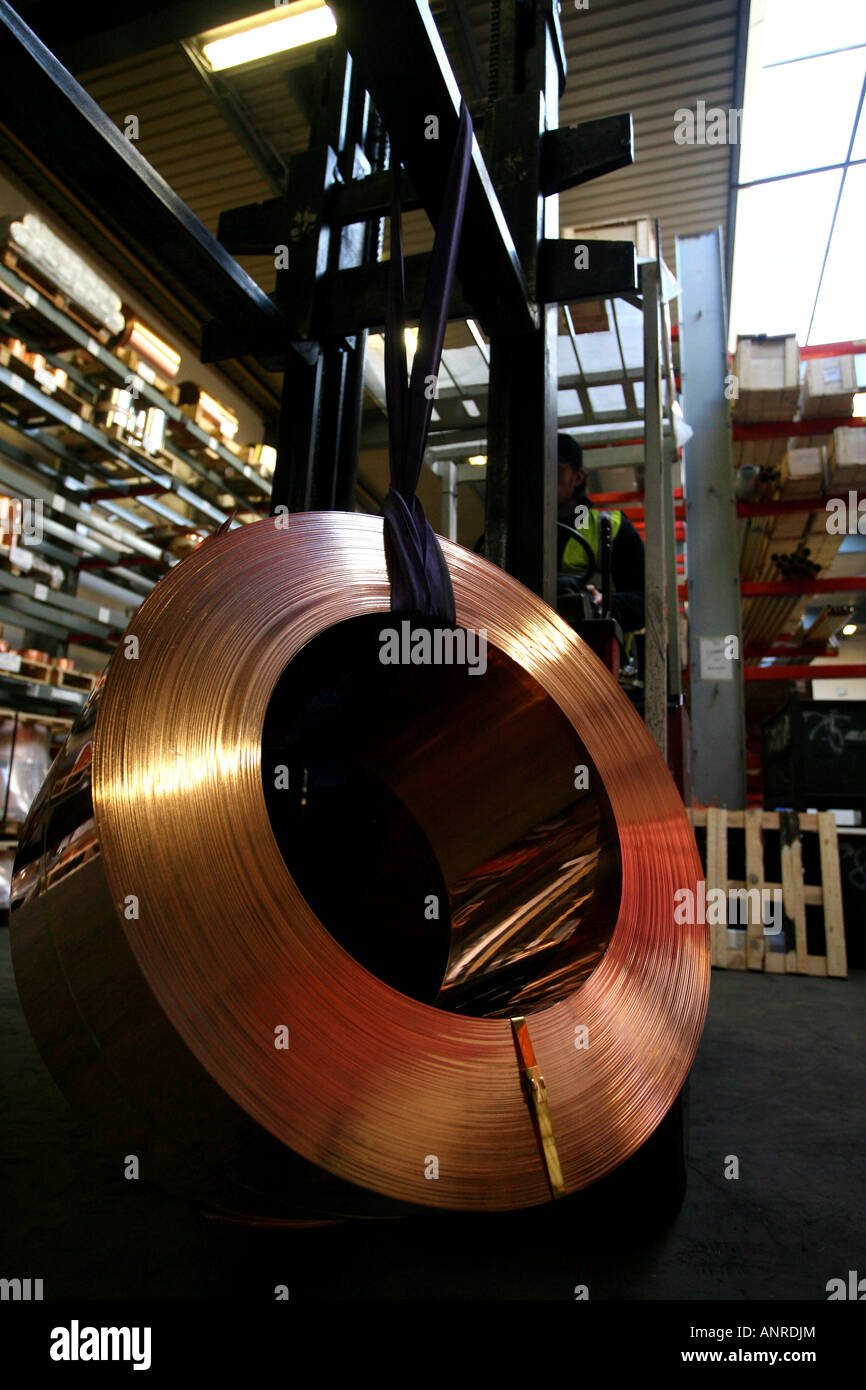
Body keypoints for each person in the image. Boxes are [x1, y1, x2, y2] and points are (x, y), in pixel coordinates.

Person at [556, 433, 645, 641]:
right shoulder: (517, 533)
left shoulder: (612, 528)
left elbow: (644, 605)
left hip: (595, 652)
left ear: (577, 478)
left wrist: (604, 602)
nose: (542, 476)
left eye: (554, 469)